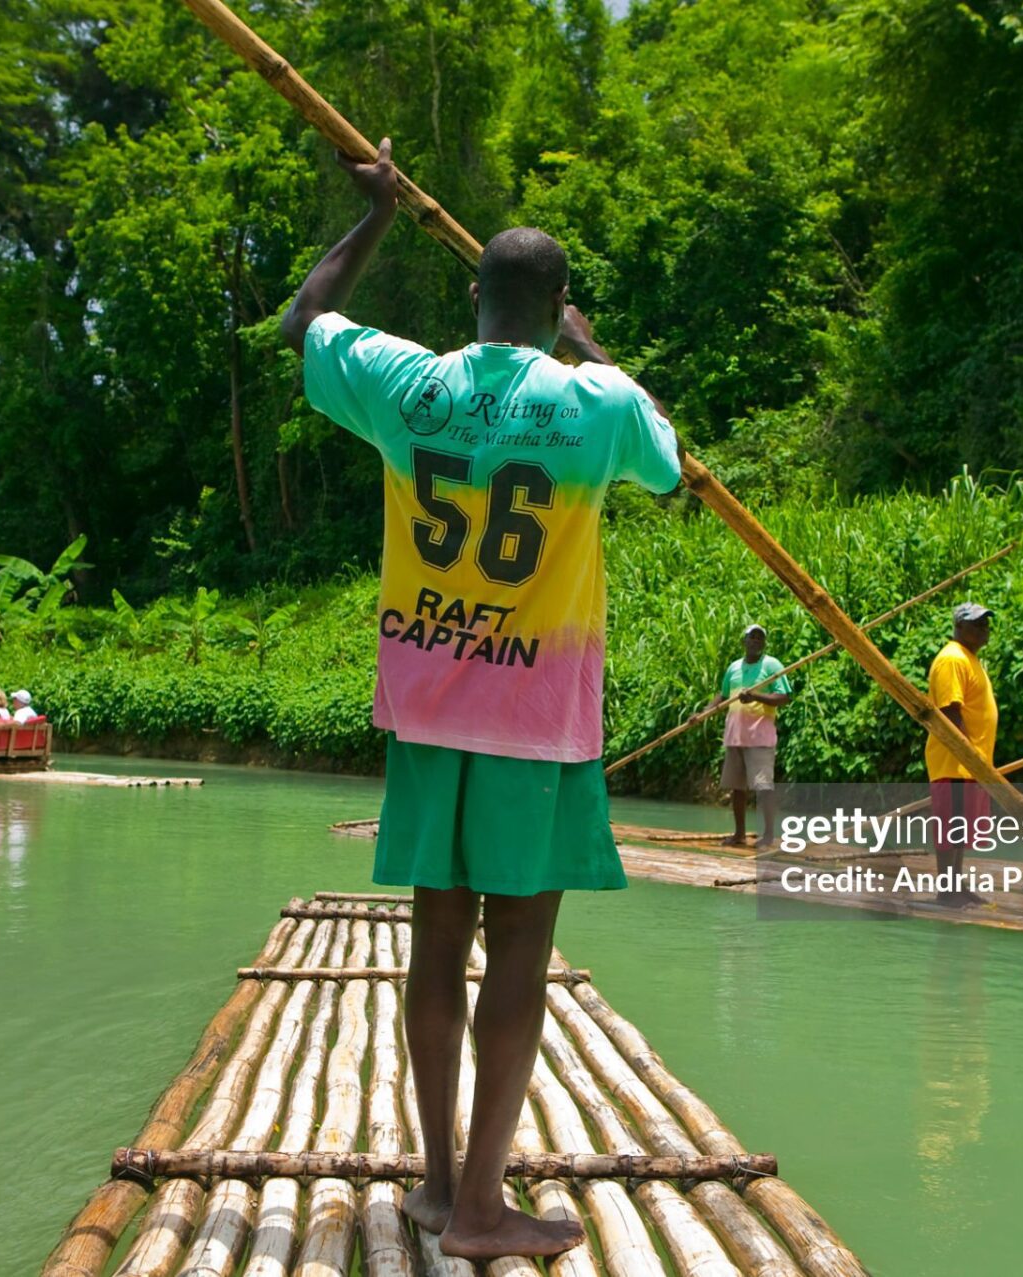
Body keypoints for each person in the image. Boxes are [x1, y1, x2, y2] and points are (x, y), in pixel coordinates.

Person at [278, 139, 680, 1260]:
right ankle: (484, 1210)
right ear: (555, 307)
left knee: (434, 944)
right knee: (517, 953)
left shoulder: (411, 383)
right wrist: (591, 347)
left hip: (426, 706)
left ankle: (440, 1179)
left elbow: (303, 322)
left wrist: (377, 217)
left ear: (472, 299)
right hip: (535, 721)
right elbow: (670, 467)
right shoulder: (595, 402)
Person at [925, 603, 997, 908]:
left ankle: (957, 883)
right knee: (951, 826)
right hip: (955, 760)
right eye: (977, 624)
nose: (984, 629)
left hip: (971, 763)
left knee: (961, 827)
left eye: (986, 624)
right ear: (959, 627)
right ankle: (946, 890)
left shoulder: (971, 658)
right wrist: (969, 752)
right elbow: (950, 712)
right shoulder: (952, 658)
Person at [704, 623, 792, 849]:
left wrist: (756, 697)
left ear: (763, 643)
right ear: (744, 642)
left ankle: (769, 835)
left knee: (763, 787)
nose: (755, 642)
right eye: (752, 638)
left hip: (759, 738)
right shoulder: (734, 667)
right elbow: (723, 695)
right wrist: (705, 712)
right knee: (738, 788)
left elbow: (784, 697)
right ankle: (739, 834)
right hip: (736, 737)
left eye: (759, 638)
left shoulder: (772, 665)